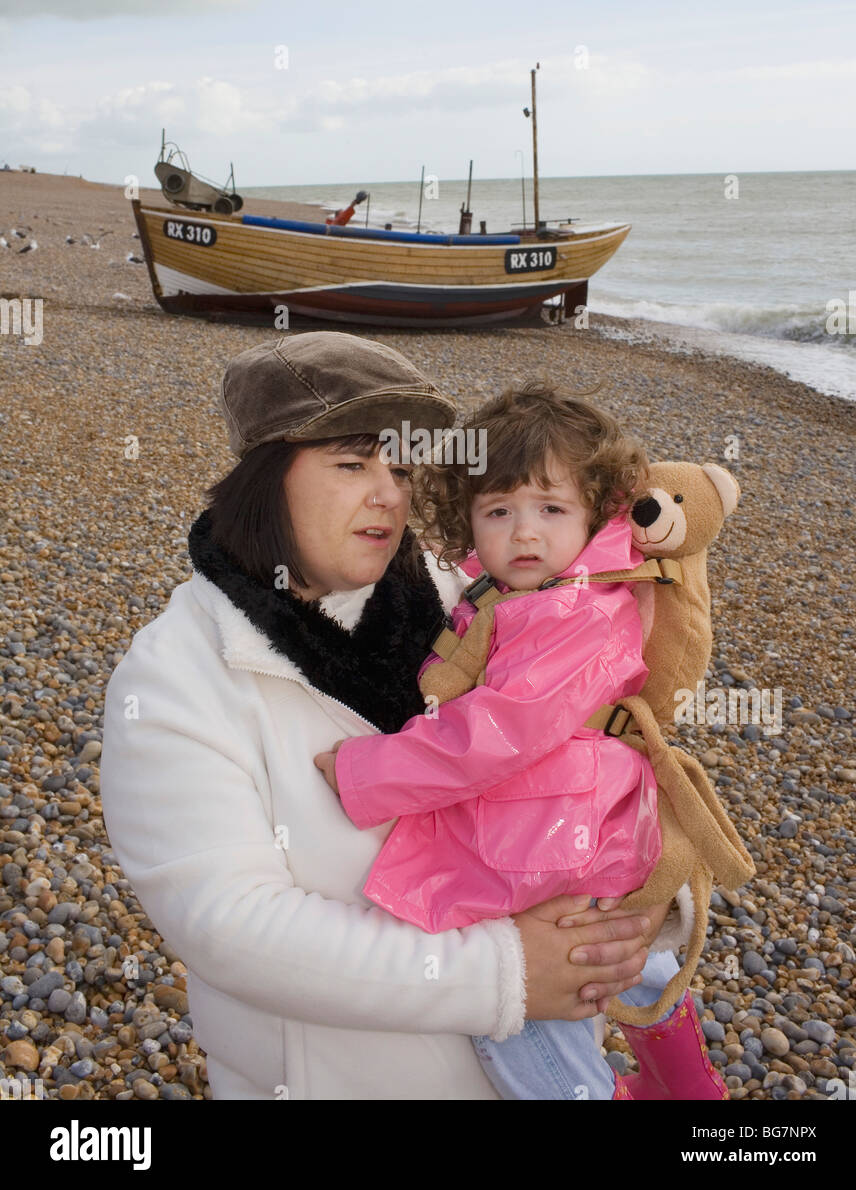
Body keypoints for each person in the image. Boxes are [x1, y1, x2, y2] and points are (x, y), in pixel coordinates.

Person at [101, 333, 681, 1101]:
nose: (390, 495)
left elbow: (610, 742)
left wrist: (640, 909)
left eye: (400, 468)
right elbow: (230, 927)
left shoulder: (471, 597)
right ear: (263, 477)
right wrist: (505, 974)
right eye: (352, 464)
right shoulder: (178, 673)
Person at [316, 382, 719, 1100]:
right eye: (499, 511)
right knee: (630, 961)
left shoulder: (577, 613)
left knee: (535, 1007)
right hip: (584, 836)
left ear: (598, 513)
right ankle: (680, 1087)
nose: (524, 533)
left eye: (551, 510)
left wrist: (365, 770)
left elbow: (494, 734)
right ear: (469, 519)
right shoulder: (527, 592)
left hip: (551, 847)